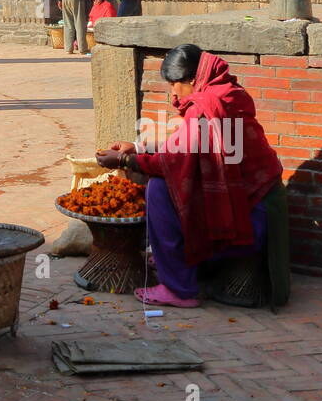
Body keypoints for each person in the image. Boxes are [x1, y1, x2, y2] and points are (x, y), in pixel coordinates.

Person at [97, 45, 287, 309]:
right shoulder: (226, 90)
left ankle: (179, 289)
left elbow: (173, 160)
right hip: (256, 200)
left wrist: (125, 160)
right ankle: (175, 262)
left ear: (193, 79)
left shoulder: (209, 105)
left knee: (159, 189)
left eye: (176, 83)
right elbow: (184, 137)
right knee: (171, 185)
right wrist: (139, 146)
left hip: (252, 216)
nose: (173, 91)